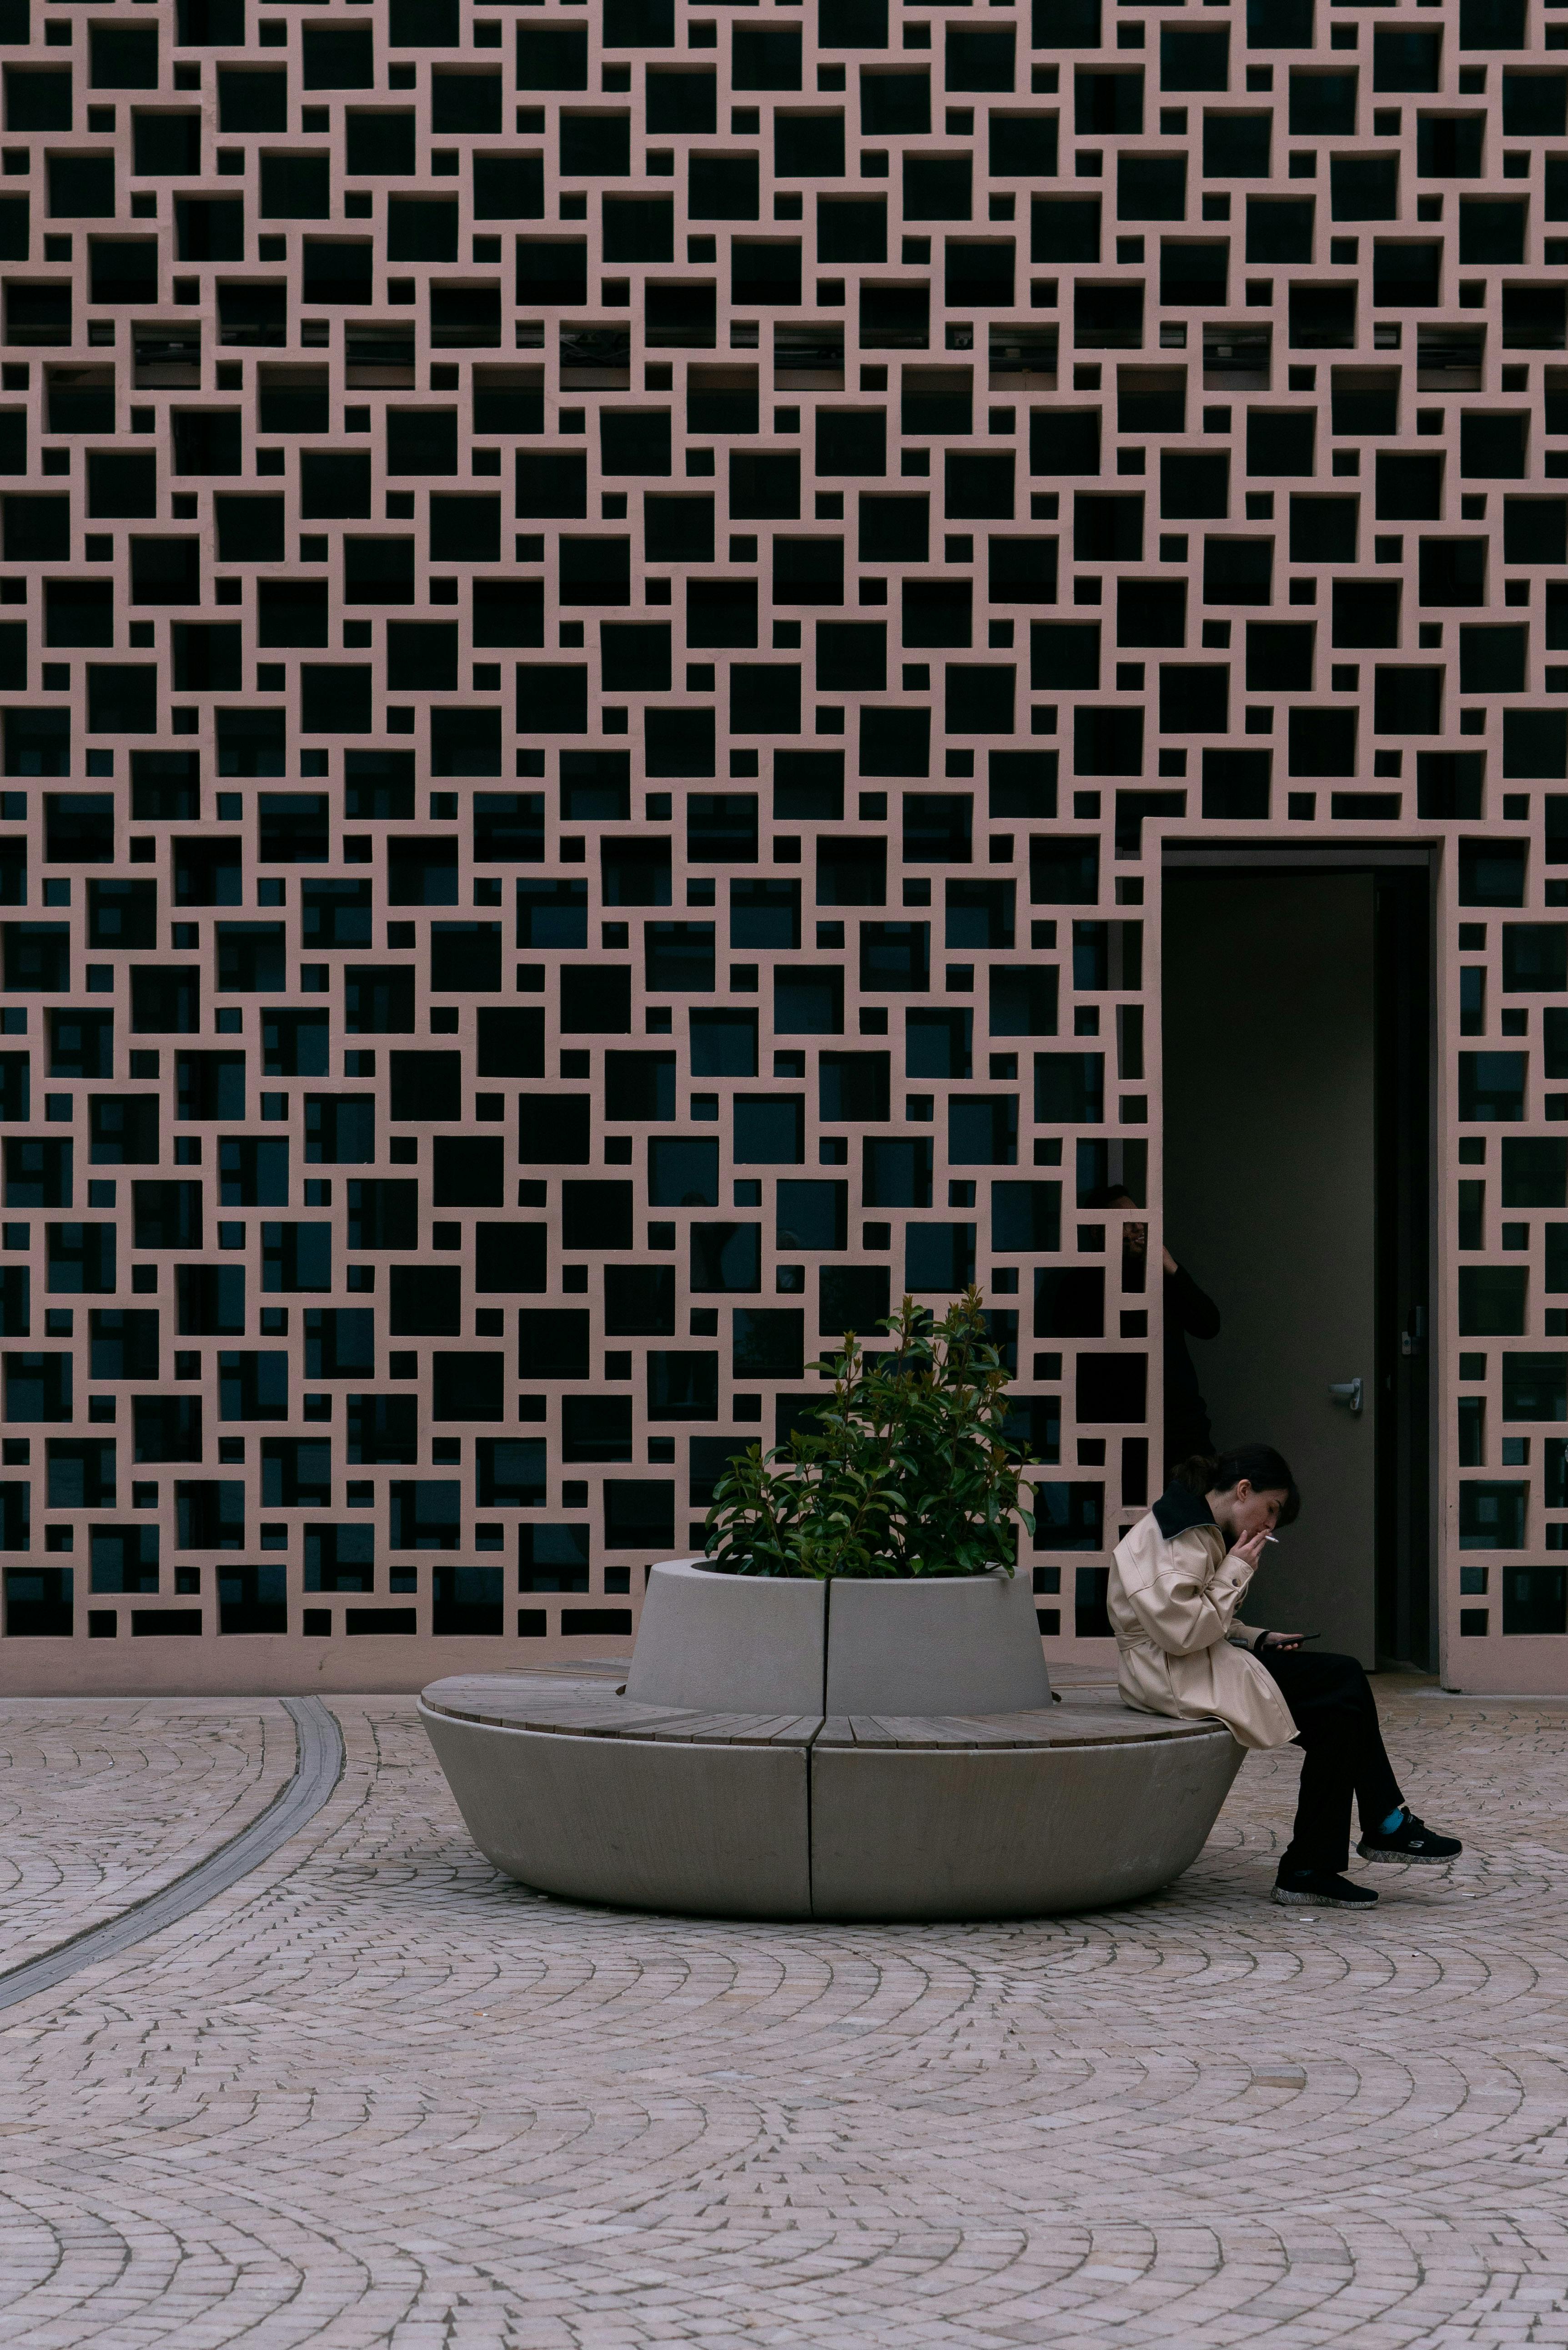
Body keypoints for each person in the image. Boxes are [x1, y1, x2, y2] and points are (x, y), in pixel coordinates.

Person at [1109, 1443, 1462, 1909]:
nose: (1271, 1525)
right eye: (1270, 1509)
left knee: (1338, 1716)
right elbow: (1183, 1632)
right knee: (1344, 1677)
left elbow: (1201, 1619)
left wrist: (1258, 1637)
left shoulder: (1199, 1528)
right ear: (1242, 1489)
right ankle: (1380, 1823)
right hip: (1170, 1674)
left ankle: (1312, 1867)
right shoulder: (1175, 1534)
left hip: (1192, 1663)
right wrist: (1238, 1568)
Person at [1094, 1190, 1220, 1472]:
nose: (1138, 1227)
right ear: (1097, 1231)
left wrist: (1170, 1266)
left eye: (1139, 1219)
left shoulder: (1158, 1275)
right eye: (1127, 1222)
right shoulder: (1082, 1284)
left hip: (1181, 1423)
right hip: (1121, 1429)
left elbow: (1209, 1325)